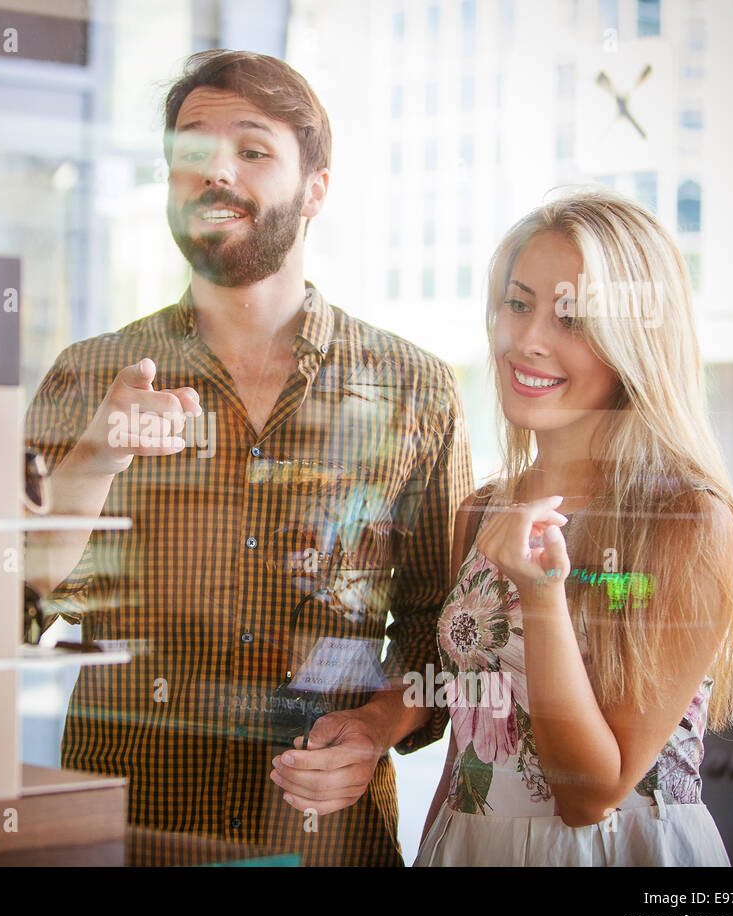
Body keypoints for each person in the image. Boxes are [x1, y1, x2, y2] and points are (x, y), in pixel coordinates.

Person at [24, 49, 472, 866]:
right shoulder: (87, 378)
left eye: (254, 150)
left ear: (317, 190)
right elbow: (8, 603)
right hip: (130, 841)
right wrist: (93, 460)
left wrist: (375, 728)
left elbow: (443, 631)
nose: (215, 172)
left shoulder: (417, 391)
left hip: (328, 845)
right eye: (191, 150)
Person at [415, 189, 733, 866]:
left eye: (573, 318)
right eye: (518, 302)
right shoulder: (480, 512)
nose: (527, 338)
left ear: (636, 343)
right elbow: (467, 753)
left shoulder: (688, 520)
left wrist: (541, 596)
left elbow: (589, 794)